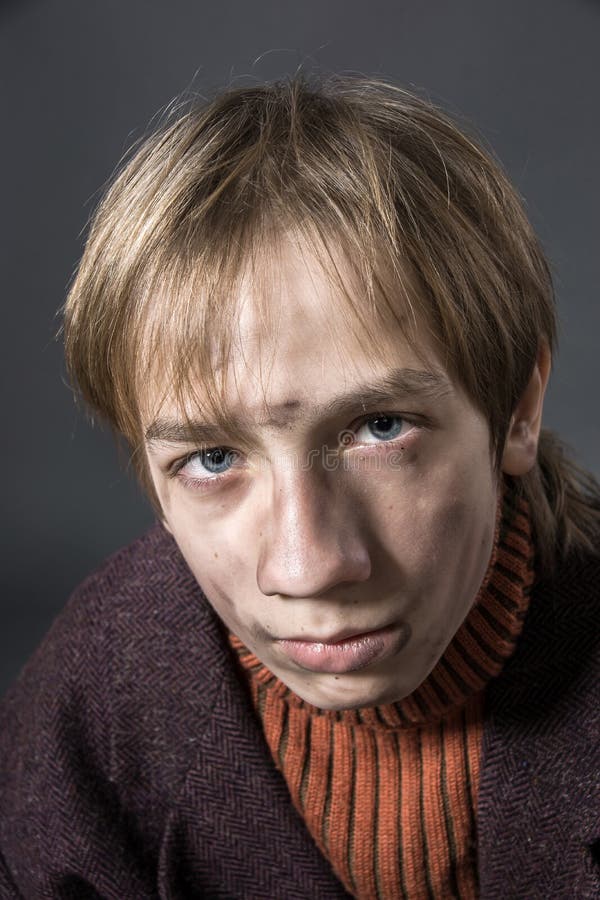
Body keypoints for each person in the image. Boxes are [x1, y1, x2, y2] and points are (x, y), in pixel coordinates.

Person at [0, 77, 598, 900]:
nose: (307, 565)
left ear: (518, 409)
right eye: (212, 458)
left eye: (381, 427)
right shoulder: (95, 706)